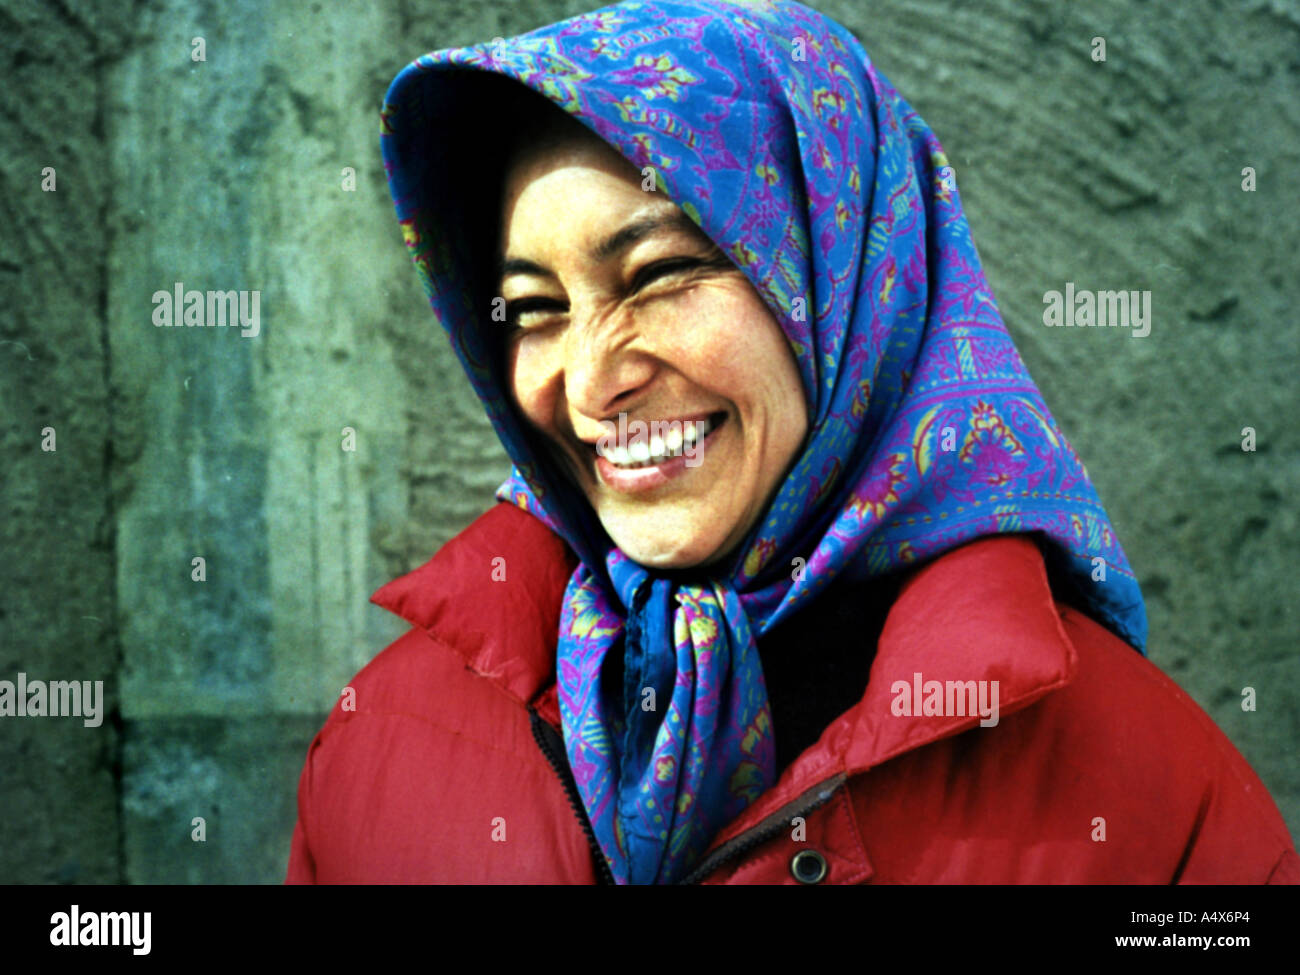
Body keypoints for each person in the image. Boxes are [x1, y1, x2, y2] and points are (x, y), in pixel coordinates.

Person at [286, 0, 1297, 884]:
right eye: (535, 308)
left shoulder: (1139, 793)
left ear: (849, 281)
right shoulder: (388, 740)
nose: (591, 385)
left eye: (658, 275)